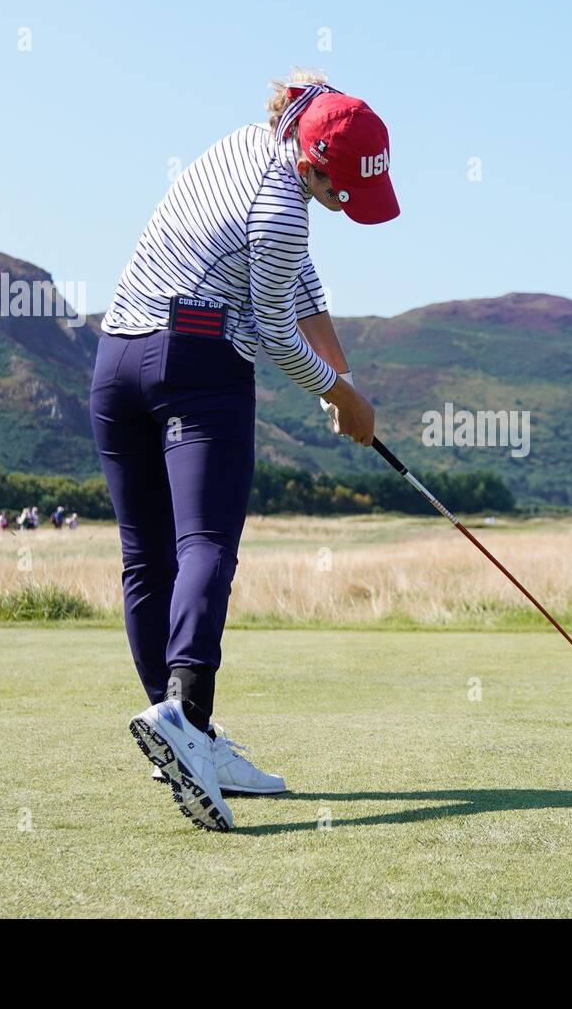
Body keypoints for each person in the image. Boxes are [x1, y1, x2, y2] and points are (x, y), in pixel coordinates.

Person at [93, 68, 392, 832]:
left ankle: (186, 733)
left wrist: (347, 378)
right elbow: (276, 332)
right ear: (316, 166)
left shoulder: (254, 142)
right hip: (196, 363)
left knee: (145, 556)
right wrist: (340, 395)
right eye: (340, 192)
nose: (342, 205)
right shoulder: (284, 210)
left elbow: (299, 281)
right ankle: (186, 719)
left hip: (116, 360)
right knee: (206, 545)